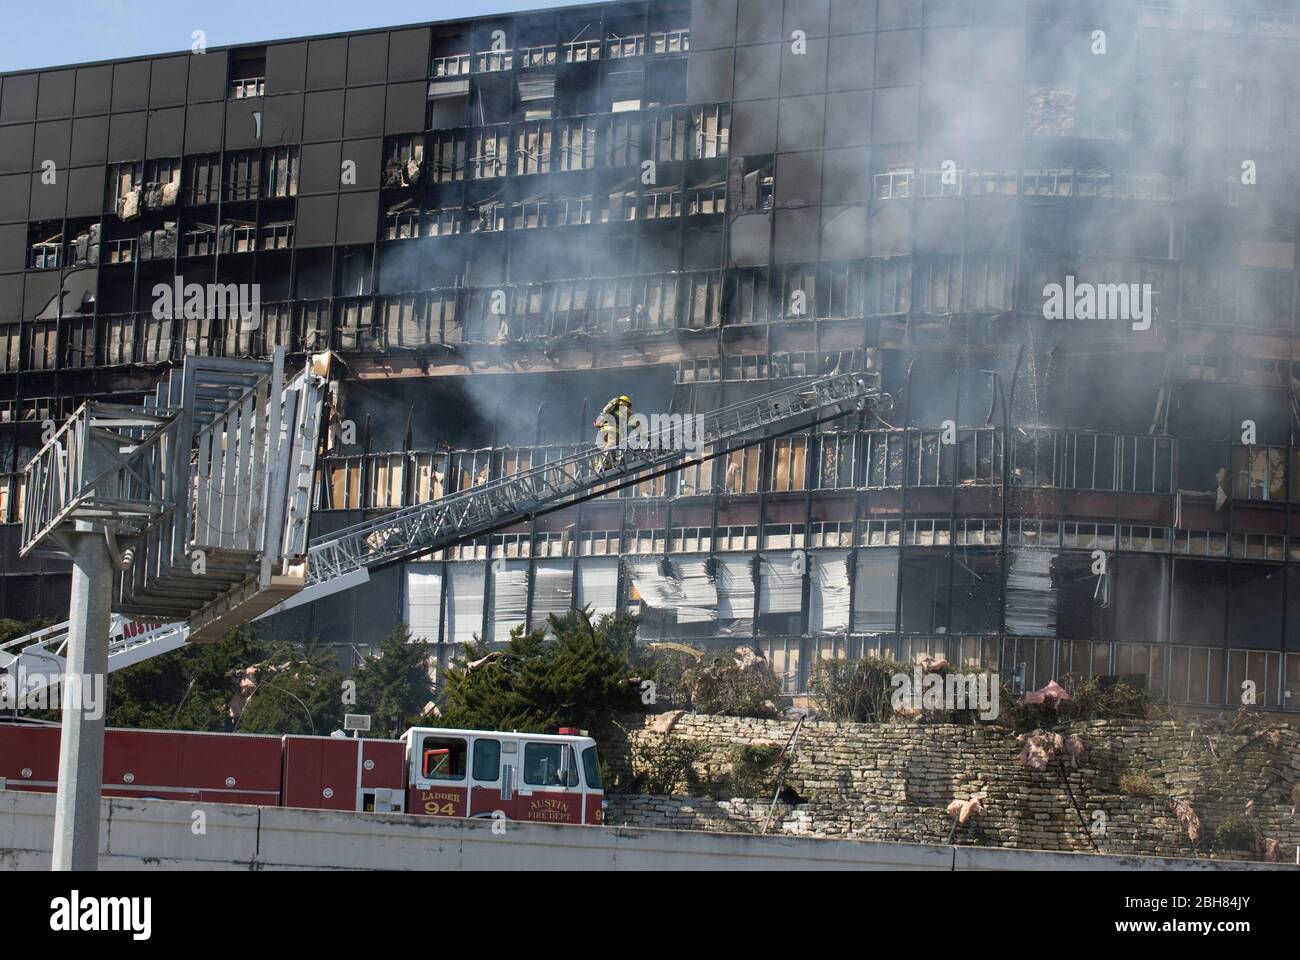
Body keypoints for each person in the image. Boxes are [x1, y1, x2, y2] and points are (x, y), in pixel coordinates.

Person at [595, 394, 633, 470]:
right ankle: (605, 464)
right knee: (611, 446)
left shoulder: (613, 408)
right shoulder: (625, 410)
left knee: (605, 447)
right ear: (627, 404)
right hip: (614, 431)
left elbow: (604, 413)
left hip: (603, 430)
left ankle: (604, 465)